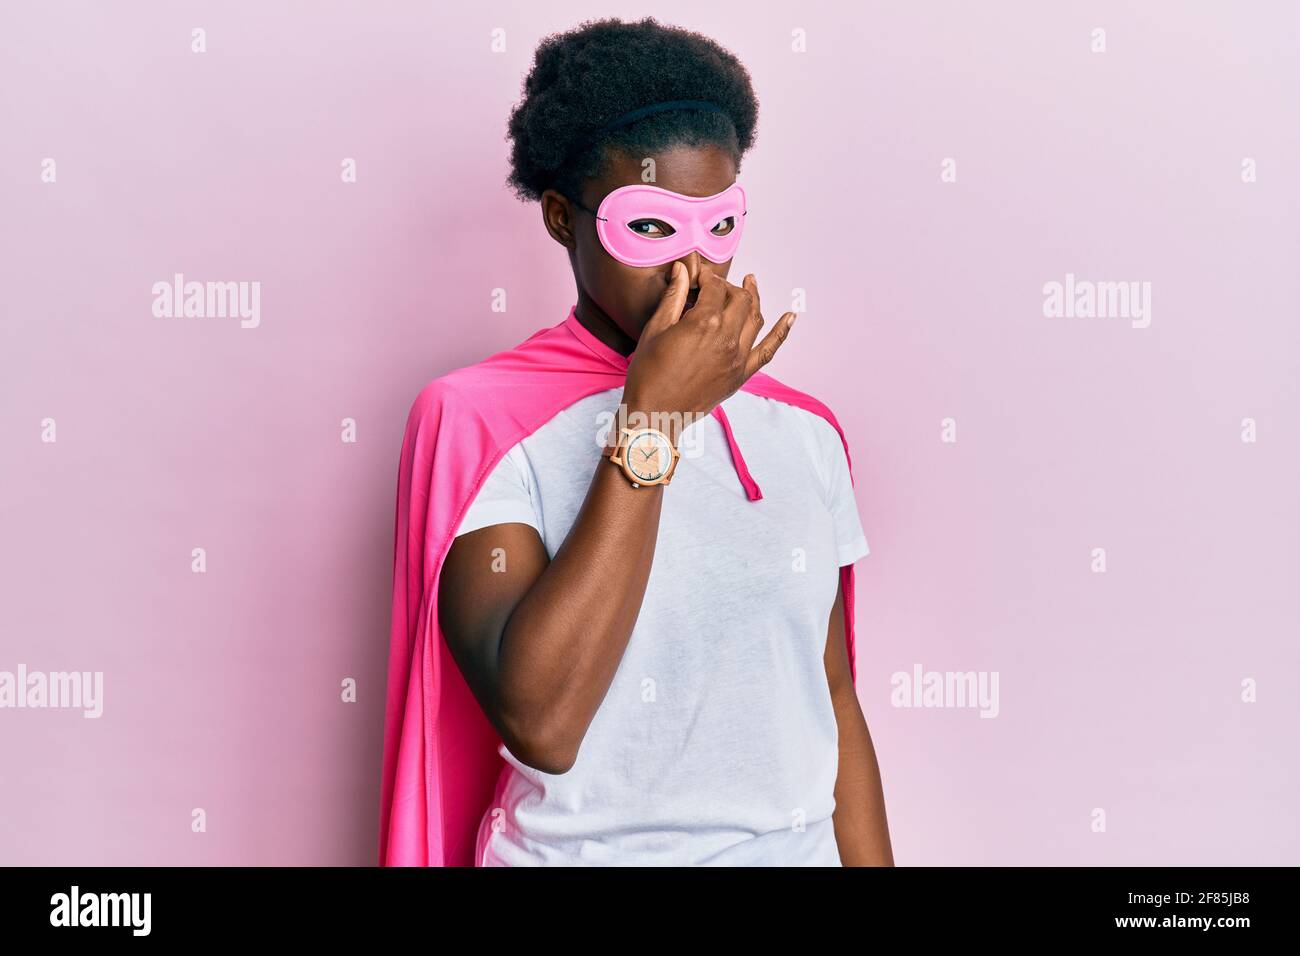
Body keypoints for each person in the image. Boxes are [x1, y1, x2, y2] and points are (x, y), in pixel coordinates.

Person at [386, 16, 894, 866]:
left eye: (719, 228)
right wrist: (652, 417)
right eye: (652, 229)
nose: (689, 271)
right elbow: (543, 722)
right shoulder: (474, 418)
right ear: (561, 218)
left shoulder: (806, 431)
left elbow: (834, 699)